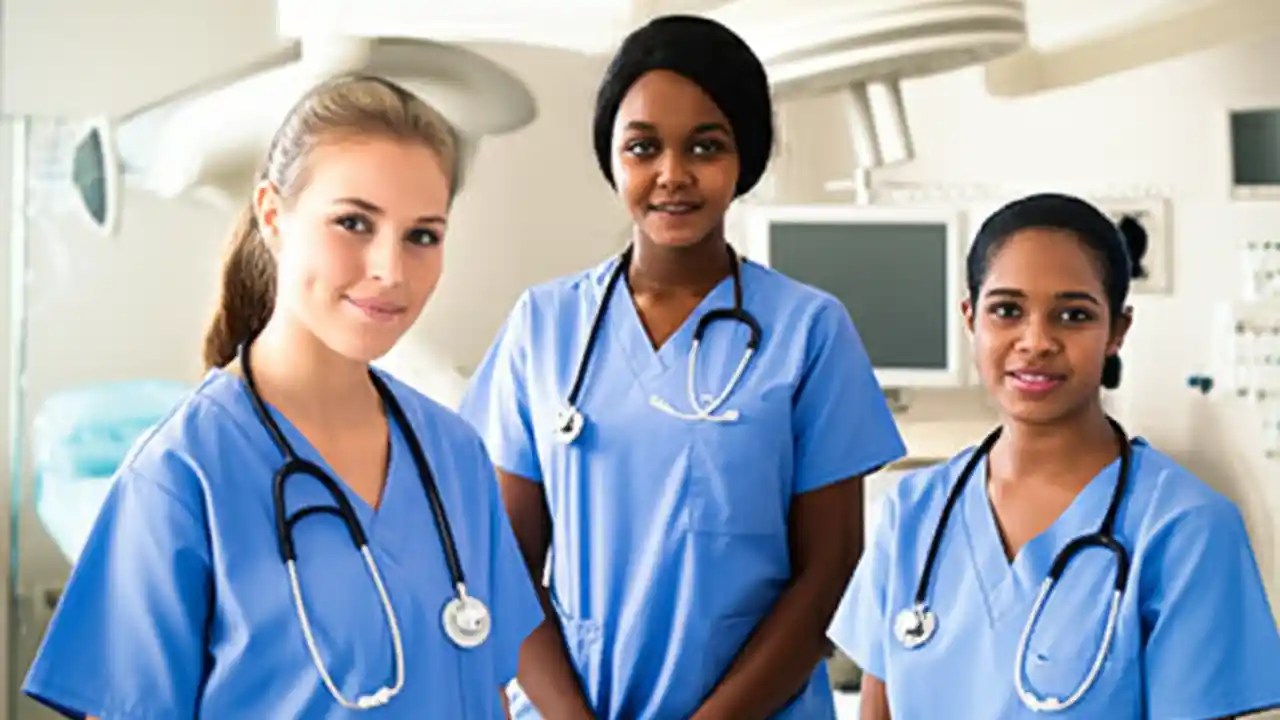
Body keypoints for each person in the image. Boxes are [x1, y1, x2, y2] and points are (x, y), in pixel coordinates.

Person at [22, 74, 543, 719]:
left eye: (423, 235)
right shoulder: (183, 475)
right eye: (353, 222)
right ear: (273, 216)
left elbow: (487, 685)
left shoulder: (453, 452)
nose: (390, 269)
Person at [459, 15, 906, 720]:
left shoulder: (809, 332)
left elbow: (830, 573)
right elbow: (505, 565)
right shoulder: (543, 328)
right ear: (613, 157)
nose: (673, 174)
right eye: (643, 147)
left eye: (706, 145)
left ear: (745, 159)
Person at [829, 192, 1280, 719]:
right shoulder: (911, 513)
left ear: (1117, 331)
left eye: (1072, 315)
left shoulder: (1185, 528)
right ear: (971, 318)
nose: (1036, 340)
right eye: (1007, 311)